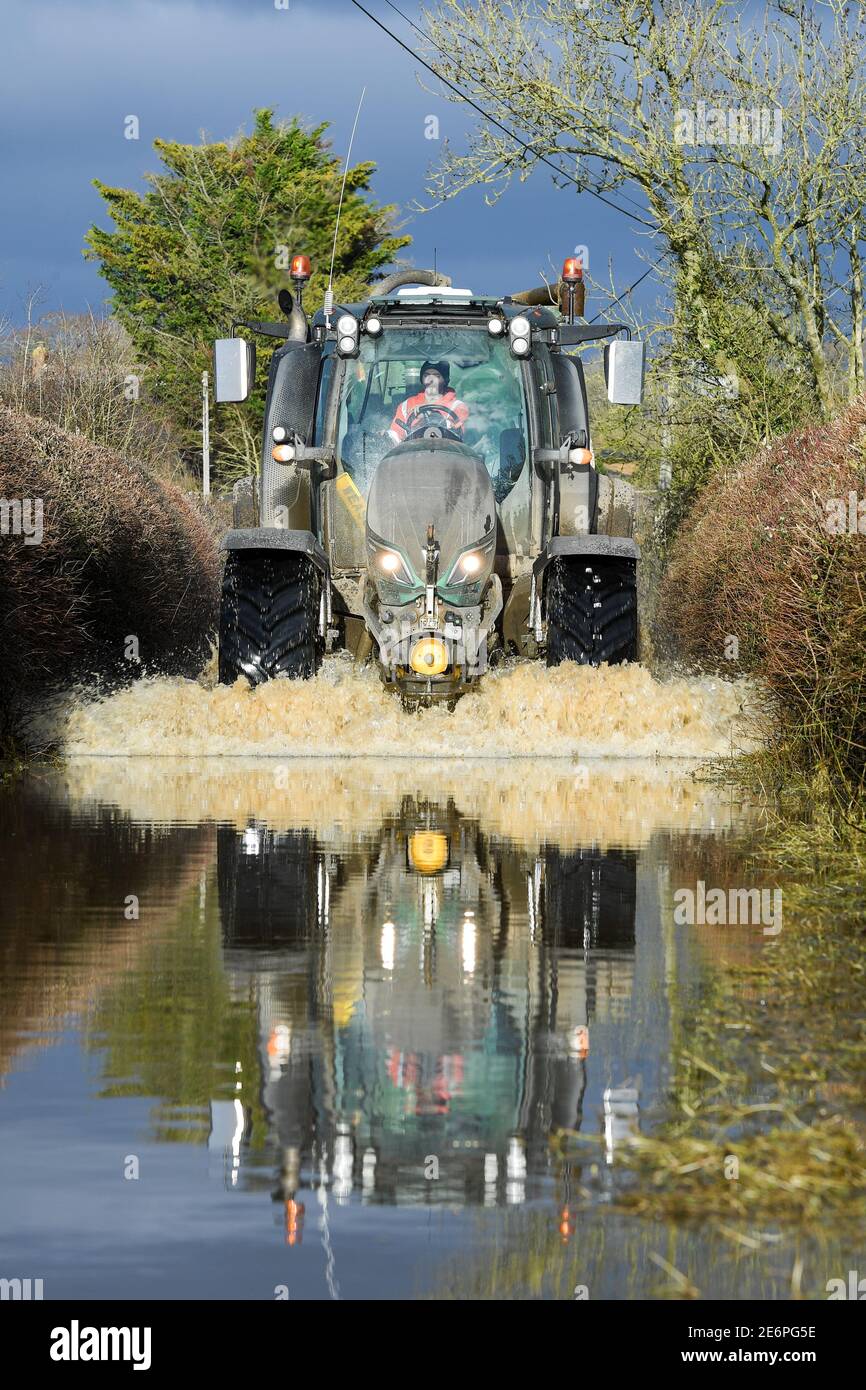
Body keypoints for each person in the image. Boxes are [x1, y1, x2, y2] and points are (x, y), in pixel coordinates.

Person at [387, 360, 469, 444]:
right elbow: (397, 434)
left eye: (436, 376)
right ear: (421, 379)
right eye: (426, 375)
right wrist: (387, 437)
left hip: (447, 453)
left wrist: (432, 415)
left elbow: (460, 435)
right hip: (413, 453)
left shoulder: (458, 407)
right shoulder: (406, 405)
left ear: (445, 380)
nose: (430, 380)